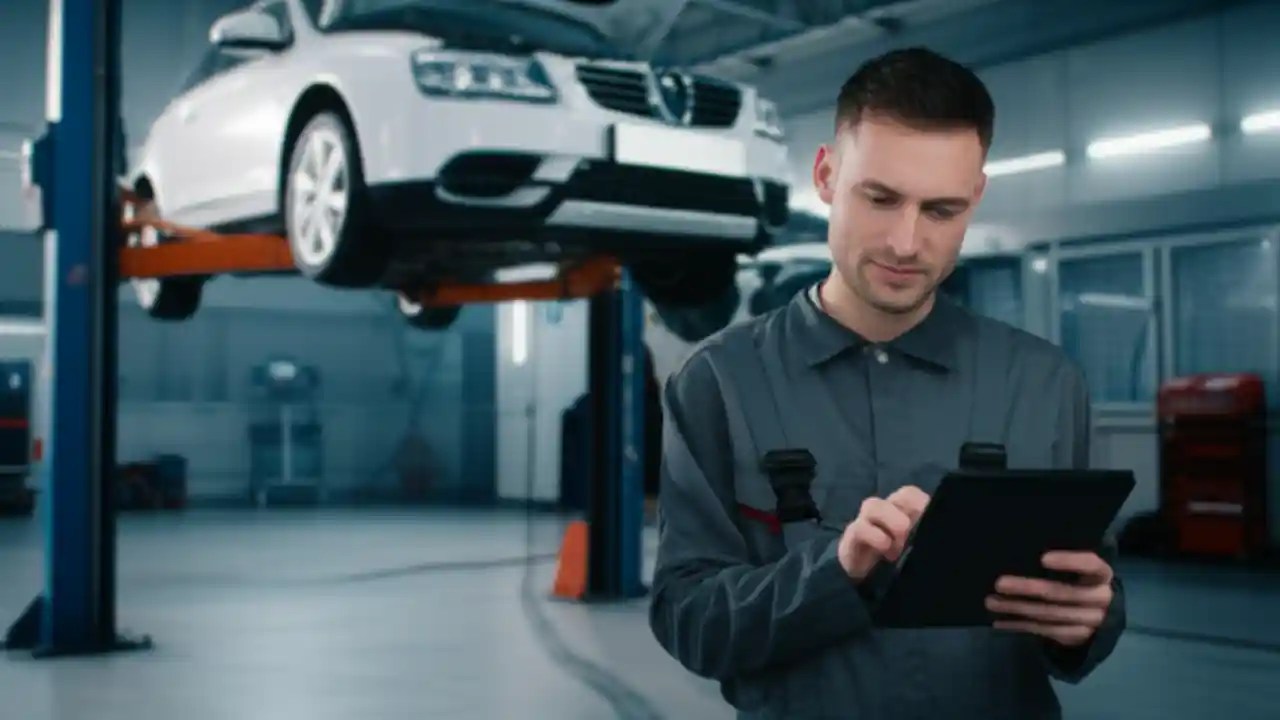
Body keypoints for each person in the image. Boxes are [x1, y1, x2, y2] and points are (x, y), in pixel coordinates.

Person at [647, 47, 1124, 719]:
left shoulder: (1045, 384)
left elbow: (1084, 589)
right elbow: (688, 618)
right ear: (825, 175)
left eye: (941, 211)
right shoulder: (721, 382)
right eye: (881, 198)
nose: (906, 242)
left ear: (976, 198)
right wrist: (834, 575)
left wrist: (1090, 622)